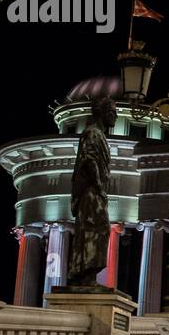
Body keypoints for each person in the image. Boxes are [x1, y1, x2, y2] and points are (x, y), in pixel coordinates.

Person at [68, 96, 115, 285]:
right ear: (102, 113)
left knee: (99, 229)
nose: (116, 116)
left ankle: (88, 274)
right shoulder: (93, 133)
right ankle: (84, 274)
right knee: (94, 228)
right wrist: (98, 186)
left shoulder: (99, 134)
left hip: (96, 191)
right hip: (91, 192)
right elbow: (89, 160)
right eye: (112, 112)